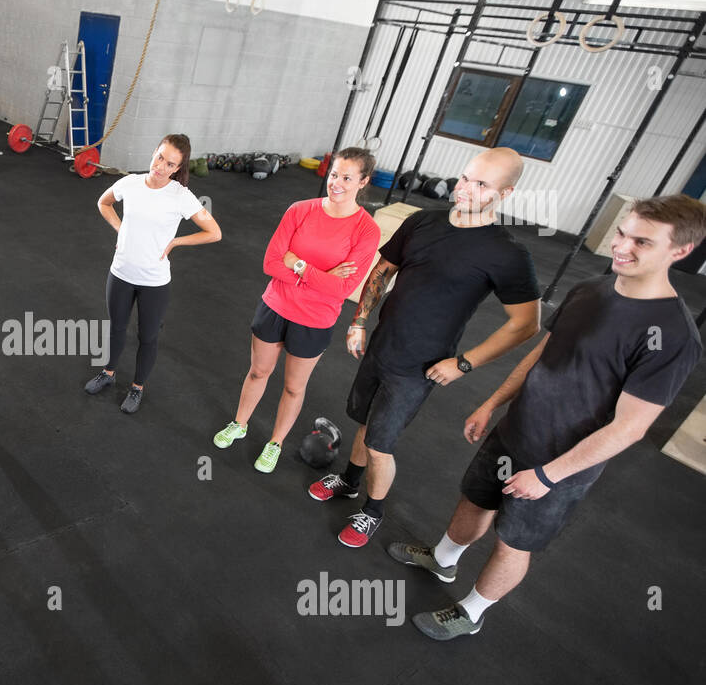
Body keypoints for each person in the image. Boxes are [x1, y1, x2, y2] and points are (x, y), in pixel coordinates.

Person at [387, 195, 704, 639]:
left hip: (560, 466)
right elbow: (541, 354)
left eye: (642, 242)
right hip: (515, 431)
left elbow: (630, 428)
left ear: (680, 251)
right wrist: (492, 402)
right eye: (622, 233)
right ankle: (441, 561)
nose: (621, 247)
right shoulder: (590, 288)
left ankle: (472, 612)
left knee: (513, 541)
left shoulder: (672, 337)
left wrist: (549, 476)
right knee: (474, 499)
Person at [308, 147, 542, 548]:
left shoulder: (507, 253)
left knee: (381, 444)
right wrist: (360, 321)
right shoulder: (422, 221)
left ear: (504, 194)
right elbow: (383, 271)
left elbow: (526, 324)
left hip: (420, 367)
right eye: (466, 178)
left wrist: (464, 364)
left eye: (481, 185)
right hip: (381, 346)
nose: (465, 189)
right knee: (365, 422)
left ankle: (372, 511)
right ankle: (349, 480)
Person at [213, 148, 380, 473]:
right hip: (275, 305)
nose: (337, 183)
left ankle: (274, 443)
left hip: (315, 319)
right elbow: (271, 262)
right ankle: (240, 423)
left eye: (347, 178)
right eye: (334, 174)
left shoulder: (366, 230)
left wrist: (299, 265)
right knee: (258, 372)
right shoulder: (300, 210)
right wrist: (320, 276)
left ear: (363, 182)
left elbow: (344, 289)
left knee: (293, 386)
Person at [84, 134, 222, 413]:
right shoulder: (131, 183)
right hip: (121, 272)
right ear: (154, 152)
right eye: (160, 157)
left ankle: (137, 388)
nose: (161, 166)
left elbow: (214, 232)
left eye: (170, 164)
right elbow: (103, 203)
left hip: (154, 281)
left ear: (177, 169)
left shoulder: (181, 196)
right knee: (116, 328)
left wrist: (176, 242)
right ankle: (109, 374)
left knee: (148, 336)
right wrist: (120, 228)